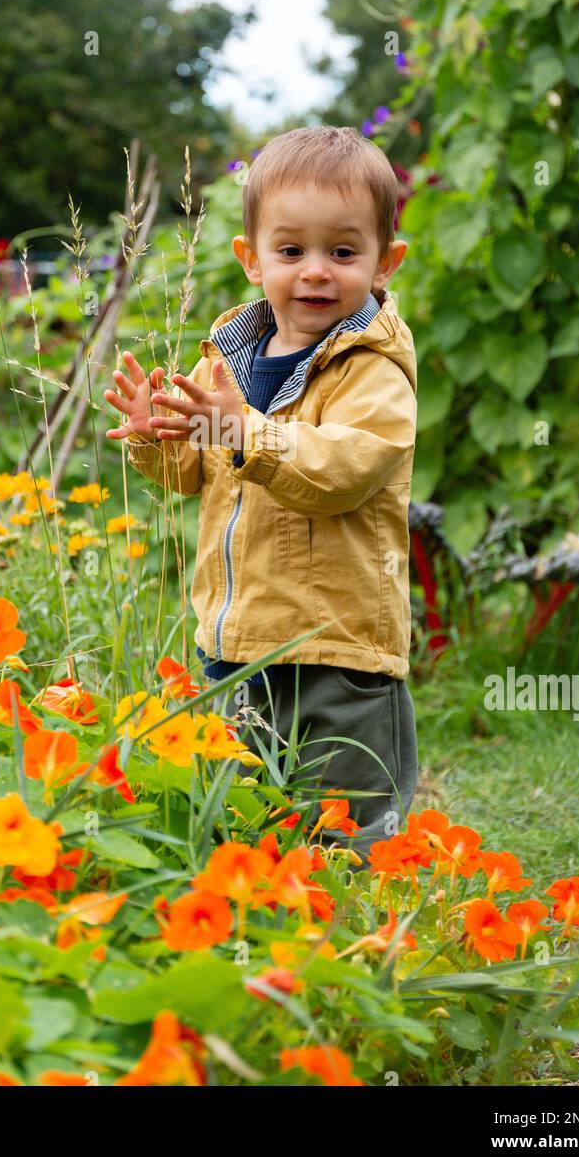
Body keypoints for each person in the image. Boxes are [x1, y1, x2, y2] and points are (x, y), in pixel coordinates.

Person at [103, 125, 418, 864]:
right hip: (238, 646)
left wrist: (241, 431)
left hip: (339, 652)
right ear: (252, 260)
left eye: (342, 252)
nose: (315, 271)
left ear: (384, 263)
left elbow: (340, 471)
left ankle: (360, 952)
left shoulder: (373, 371)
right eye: (290, 250)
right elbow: (197, 478)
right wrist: (163, 438)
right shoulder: (232, 360)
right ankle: (270, 936)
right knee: (253, 812)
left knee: (347, 820)